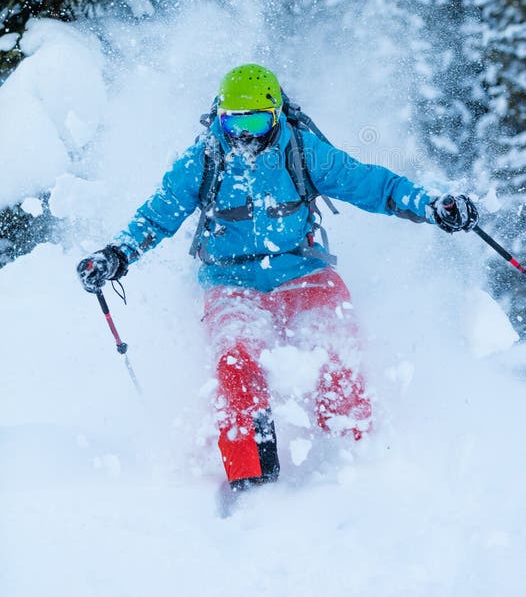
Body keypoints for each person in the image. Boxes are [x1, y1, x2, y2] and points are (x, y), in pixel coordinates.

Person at [77, 64, 478, 492]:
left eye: (255, 122)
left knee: (334, 344)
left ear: (276, 115)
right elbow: (158, 215)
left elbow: (372, 184)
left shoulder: (302, 149)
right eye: (234, 122)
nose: (245, 136)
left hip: (303, 272)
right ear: (219, 118)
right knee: (236, 360)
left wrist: (432, 205)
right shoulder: (204, 157)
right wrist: (116, 254)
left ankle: (356, 459)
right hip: (231, 282)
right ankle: (253, 479)